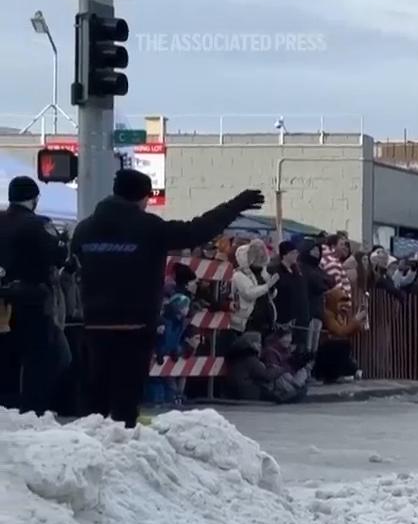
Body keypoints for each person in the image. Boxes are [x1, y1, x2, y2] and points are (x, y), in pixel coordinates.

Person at [71, 168, 265, 427]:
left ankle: (89, 445)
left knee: (95, 397)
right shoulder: (148, 227)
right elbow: (198, 229)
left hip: (95, 323)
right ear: (143, 197)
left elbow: (75, 264)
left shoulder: (85, 229)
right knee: (126, 399)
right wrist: (235, 205)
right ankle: (120, 443)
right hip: (135, 324)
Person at [0, 176, 69, 414]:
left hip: (3, 298)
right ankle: (33, 411)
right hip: (31, 300)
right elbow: (59, 254)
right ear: (34, 198)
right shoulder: (38, 224)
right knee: (41, 357)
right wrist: (63, 242)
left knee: (6, 358)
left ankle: (6, 408)